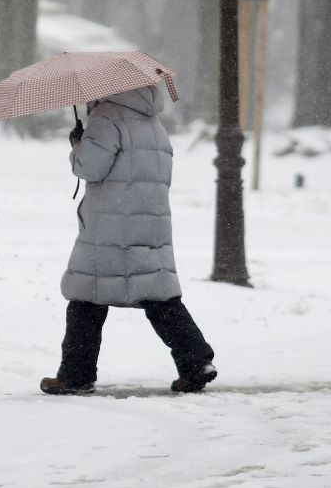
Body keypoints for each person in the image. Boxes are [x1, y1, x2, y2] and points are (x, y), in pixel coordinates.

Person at [40, 84, 217, 395]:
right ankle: (196, 361)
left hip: (112, 225)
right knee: (157, 295)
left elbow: (90, 168)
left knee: (86, 297)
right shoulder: (152, 122)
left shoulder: (107, 116)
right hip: (150, 221)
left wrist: (78, 145)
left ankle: (76, 375)